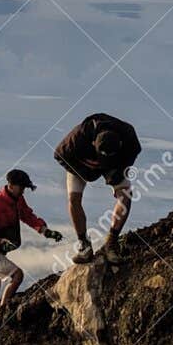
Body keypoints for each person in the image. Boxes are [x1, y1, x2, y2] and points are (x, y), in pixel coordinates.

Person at [0, 168, 63, 324]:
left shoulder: (17, 200)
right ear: (11, 185)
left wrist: (45, 231)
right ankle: (2, 314)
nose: (23, 191)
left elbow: (27, 216)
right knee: (17, 276)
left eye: (24, 188)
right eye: (21, 187)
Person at [53, 113, 141, 265]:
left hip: (115, 164)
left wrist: (117, 173)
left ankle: (111, 243)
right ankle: (84, 245)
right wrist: (85, 172)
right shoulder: (75, 140)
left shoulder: (128, 136)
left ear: (120, 143)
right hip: (82, 164)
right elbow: (59, 155)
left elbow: (133, 152)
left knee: (126, 195)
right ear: (93, 143)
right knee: (74, 198)